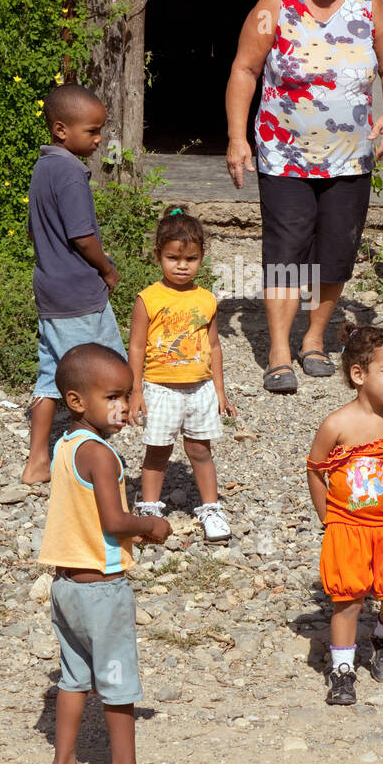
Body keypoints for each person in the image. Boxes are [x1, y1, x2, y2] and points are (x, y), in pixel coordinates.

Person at [225, 0, 383, 394]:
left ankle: (314, 340)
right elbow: (244, 69)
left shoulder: (368, 6)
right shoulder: (275, 3)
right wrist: (236, 137)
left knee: (335, 252)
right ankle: (280, 351)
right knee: (287, 252)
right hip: (284, 155)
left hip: (350, 157)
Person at [37, 341, 188, 764]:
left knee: (73, 679)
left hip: (66, 586)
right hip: (103, 591)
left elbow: (87, 518)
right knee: (118, 682)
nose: (124, 408)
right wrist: (151, 525)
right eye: (113, 397)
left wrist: (125, 535)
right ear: (77, 401)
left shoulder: (66, 446)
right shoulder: (102, 455)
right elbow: (113, 520)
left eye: (126, 396)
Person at [306, 323, 383, 707]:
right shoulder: (335, 425)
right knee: (347, 600)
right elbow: (316, 469)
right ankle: (342, 670)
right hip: (346, 528)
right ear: (358, 375)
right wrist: (328, 518)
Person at [22, 83, 127, 485]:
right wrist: (107, 269)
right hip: (80, 297)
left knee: (51, 376)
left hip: (50, 292)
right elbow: (83, 236)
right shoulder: (70, 173)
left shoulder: (43, 167)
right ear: (61, 129)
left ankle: (37, 462)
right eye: (92, 131)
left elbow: (35, 233)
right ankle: (94, 463)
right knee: (97, 375)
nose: (99, 139)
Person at [127, 205, 235, 542]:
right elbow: (136, 347)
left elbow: (214, 346)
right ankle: (149, 509)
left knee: (200, 450)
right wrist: (135, 391)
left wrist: (219, 390)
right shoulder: (148, 298)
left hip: (200, 389)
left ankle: (211, 508)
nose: (182, 266)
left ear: (202, 257)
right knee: (157, 450)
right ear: (158, 255)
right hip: (160, 388)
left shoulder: (206, 300)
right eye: (174, 257)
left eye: (190, 259)